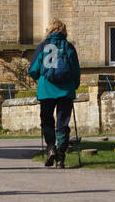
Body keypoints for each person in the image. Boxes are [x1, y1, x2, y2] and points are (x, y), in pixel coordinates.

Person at [28, 21, 80, 168]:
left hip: (46, 90)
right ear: (64, 31)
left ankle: (50, 147)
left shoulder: (42, 46)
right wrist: (73, 86)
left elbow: (33, 70)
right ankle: (60, 158)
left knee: (47, 121)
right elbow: (75, 70)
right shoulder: (69, 47)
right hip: (65, 90)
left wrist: (39, 78)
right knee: (62, 123)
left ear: (49, 31)